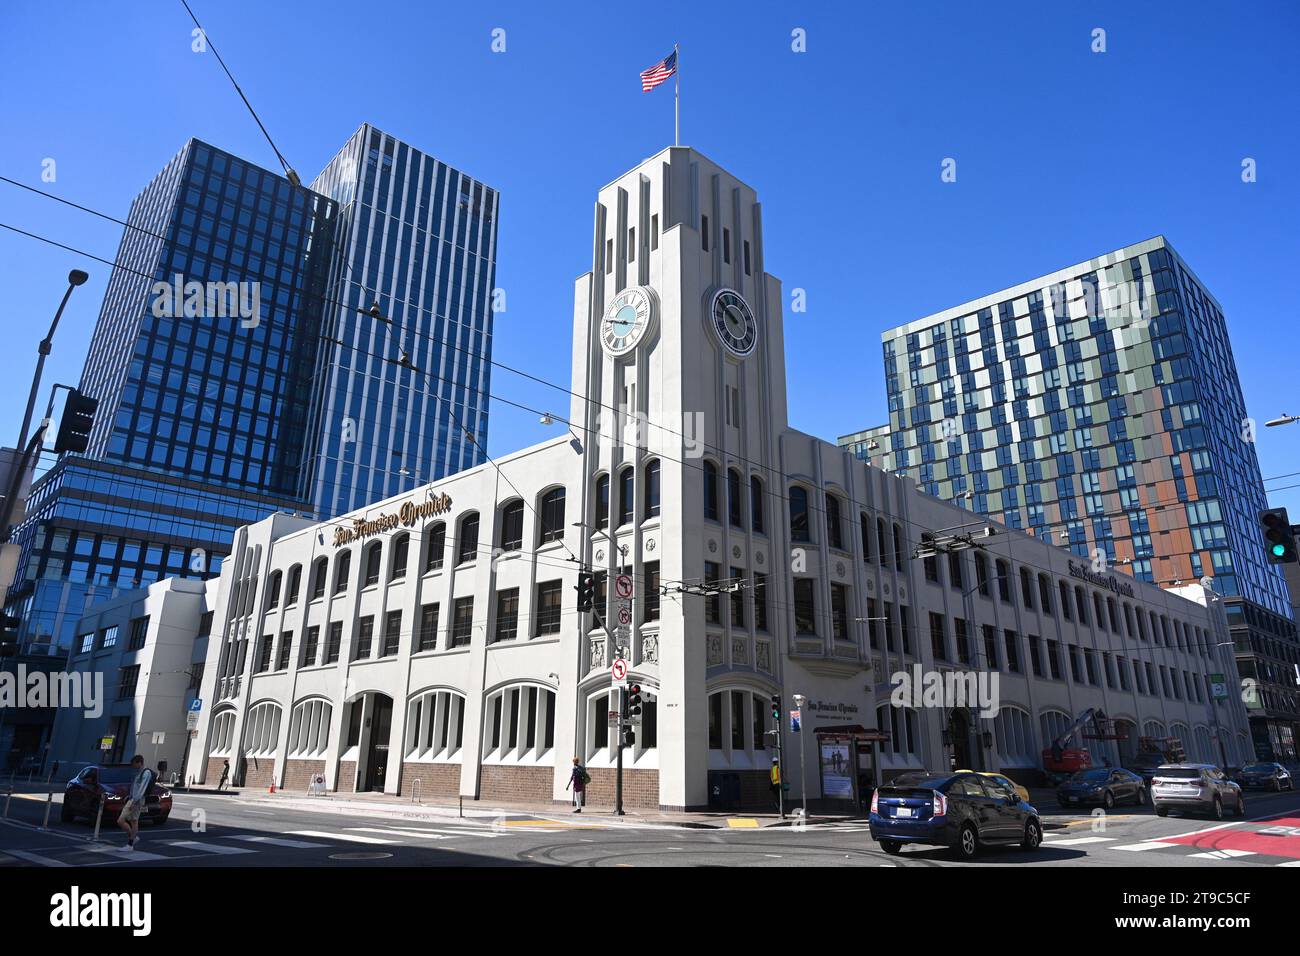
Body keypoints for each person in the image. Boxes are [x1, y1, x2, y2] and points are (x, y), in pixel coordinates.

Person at [118, 755, 156, 851]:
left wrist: (135, 802)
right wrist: (130, 796)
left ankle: (130, 843)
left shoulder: (146, 773)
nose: (133, 766)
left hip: (137, 800)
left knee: (127, 821)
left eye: (134, 764)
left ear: (139, 762)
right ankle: (133, 838)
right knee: (128, 821)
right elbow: (135, 787)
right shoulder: (139, 772)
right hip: (133, 799)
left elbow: (142, 789)